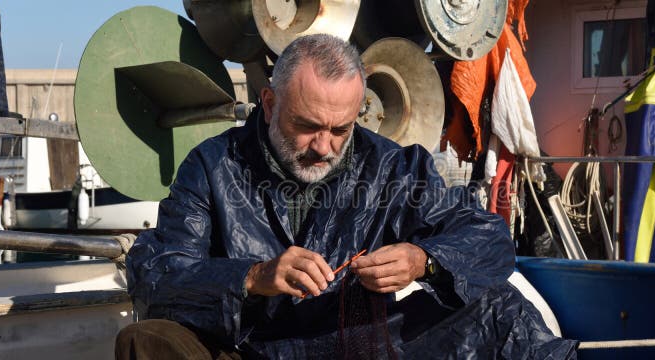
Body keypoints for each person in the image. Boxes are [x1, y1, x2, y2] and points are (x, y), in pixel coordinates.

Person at [117, 34, 576, 359]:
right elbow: (155, 273)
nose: (324, 146)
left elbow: (488, 237)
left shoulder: (394, 166)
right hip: (249, 347)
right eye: (307, 126)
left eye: (341, 129)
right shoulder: (211, 165)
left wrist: (424, 259)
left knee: (500, 311)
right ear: (271, 104)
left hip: (360, 342)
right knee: (145, 340)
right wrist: (253, 276)